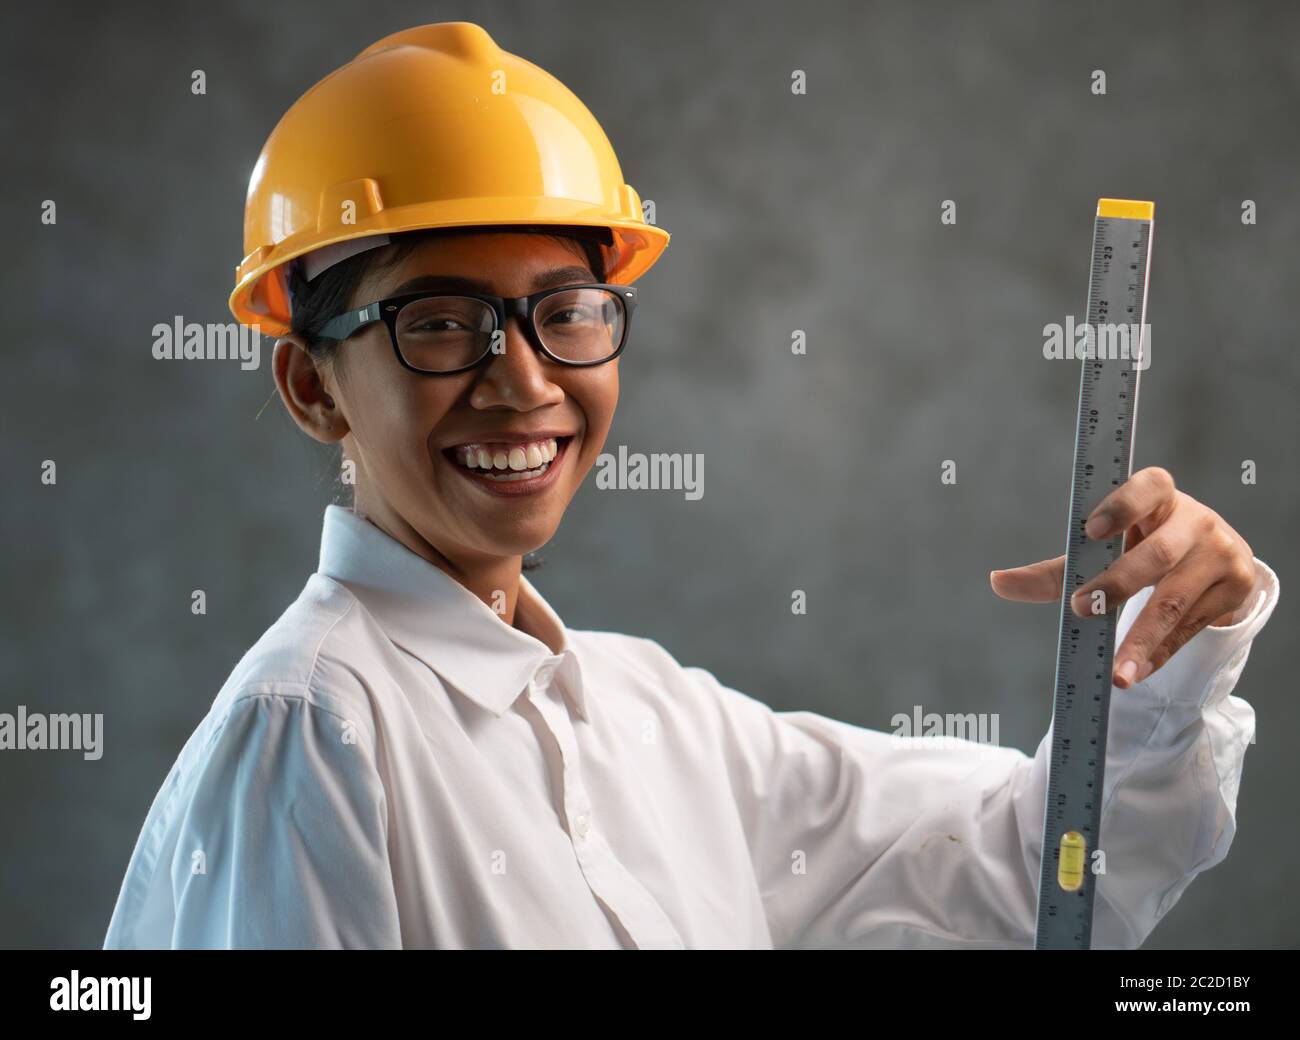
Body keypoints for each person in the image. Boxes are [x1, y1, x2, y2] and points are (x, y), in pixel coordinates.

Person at [103, 21, 1279, 949]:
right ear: (313, 385)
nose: (521, 381)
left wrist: (1165, 653)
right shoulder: (312, 732)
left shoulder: (647, 718)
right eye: (441, 320)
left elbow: (1036, 865)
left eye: (564, 313)